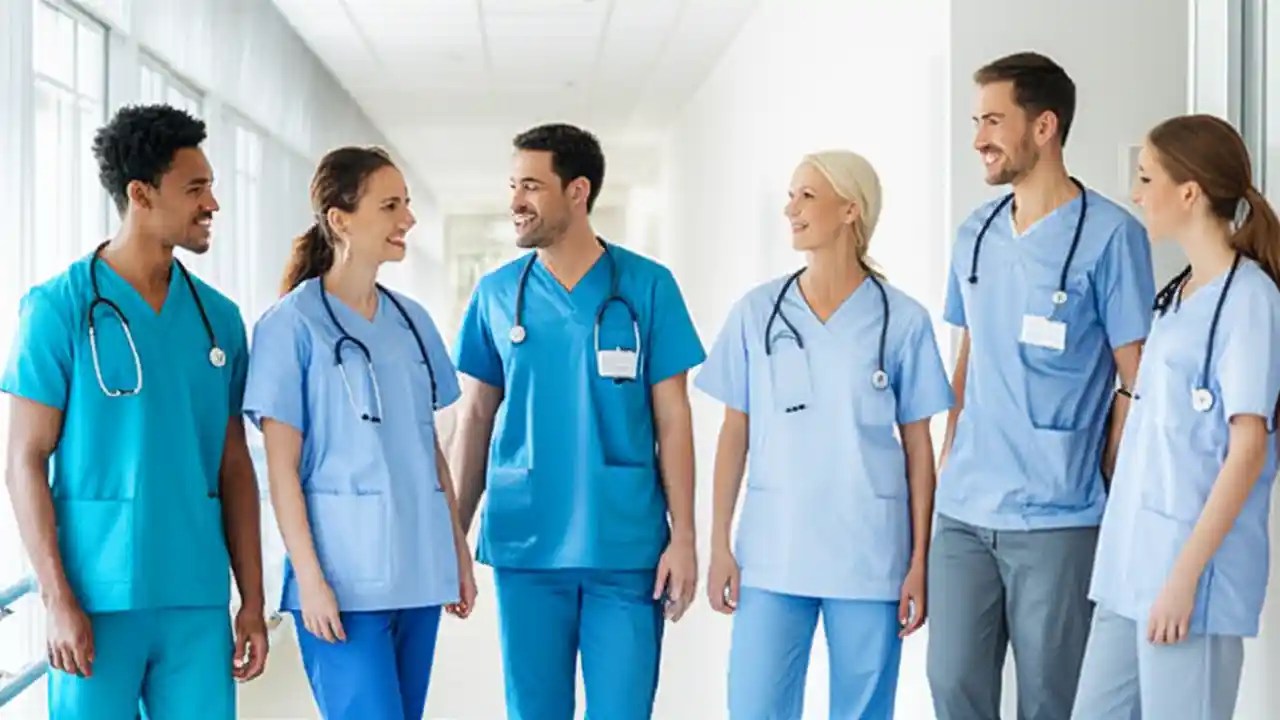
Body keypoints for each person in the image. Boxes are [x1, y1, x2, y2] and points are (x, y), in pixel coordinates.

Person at [1, 104, 268, 719]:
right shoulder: (58, 309)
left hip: (195, 596)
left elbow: (233, 468)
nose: (213, 205)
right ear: (141, 194)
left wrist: (251, 599)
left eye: (212, 187)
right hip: (95, 599)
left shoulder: (218, 319)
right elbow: (23, 460)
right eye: (195, 188)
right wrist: (56, 597)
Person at [926, 52, 1157, 719]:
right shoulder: (976, 234)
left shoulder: (1113, 237)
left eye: (994, 121)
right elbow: (968, 362)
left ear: (1045, 126)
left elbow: (1135, 375)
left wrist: (1122, 486)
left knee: (1051, 702)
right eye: (976, 122)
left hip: (1059, 517)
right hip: (966, 516)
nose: (979, 140)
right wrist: (949, 467)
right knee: (952, 689)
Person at [448, 123, 705, 720]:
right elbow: (476, 417)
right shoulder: (495, 294)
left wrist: (686, 536)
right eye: (512, 185)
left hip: (625, 544)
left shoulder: (646, 286)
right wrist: (452, 537)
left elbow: (674, 419)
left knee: (622, 710)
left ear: (578, 191)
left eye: (531, 186)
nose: (515, 201)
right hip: (527, 542)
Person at [696, 150, 953, 719]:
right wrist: (719, 543)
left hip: (869, 554)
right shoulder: (757, 311)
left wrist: (919, 560)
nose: (790, 209)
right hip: (772, 552)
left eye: (806, 195)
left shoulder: (901, 319)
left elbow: (919, 449)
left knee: (863, 712)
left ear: (850, 210)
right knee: (756, 707)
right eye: (791, 195)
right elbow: (733, 432)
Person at [241, 146, 476, 719]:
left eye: (407, 204)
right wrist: (311, 582)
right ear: (340, 219)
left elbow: (429, 450)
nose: (408, 220)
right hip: (342, 581)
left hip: (417, 571)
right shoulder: (290, 326)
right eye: (390, 205)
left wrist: (457, 555)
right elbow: (281, 471)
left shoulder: (412, 322)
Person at [1071, 114, 1280, 719]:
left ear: (1188, 191)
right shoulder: (1178, 293)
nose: (1136, 195)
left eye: (1145, 178)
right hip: (1129, 566)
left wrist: (1184, 577)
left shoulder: (1250, 301)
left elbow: (1249, 449)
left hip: (1191, 581)